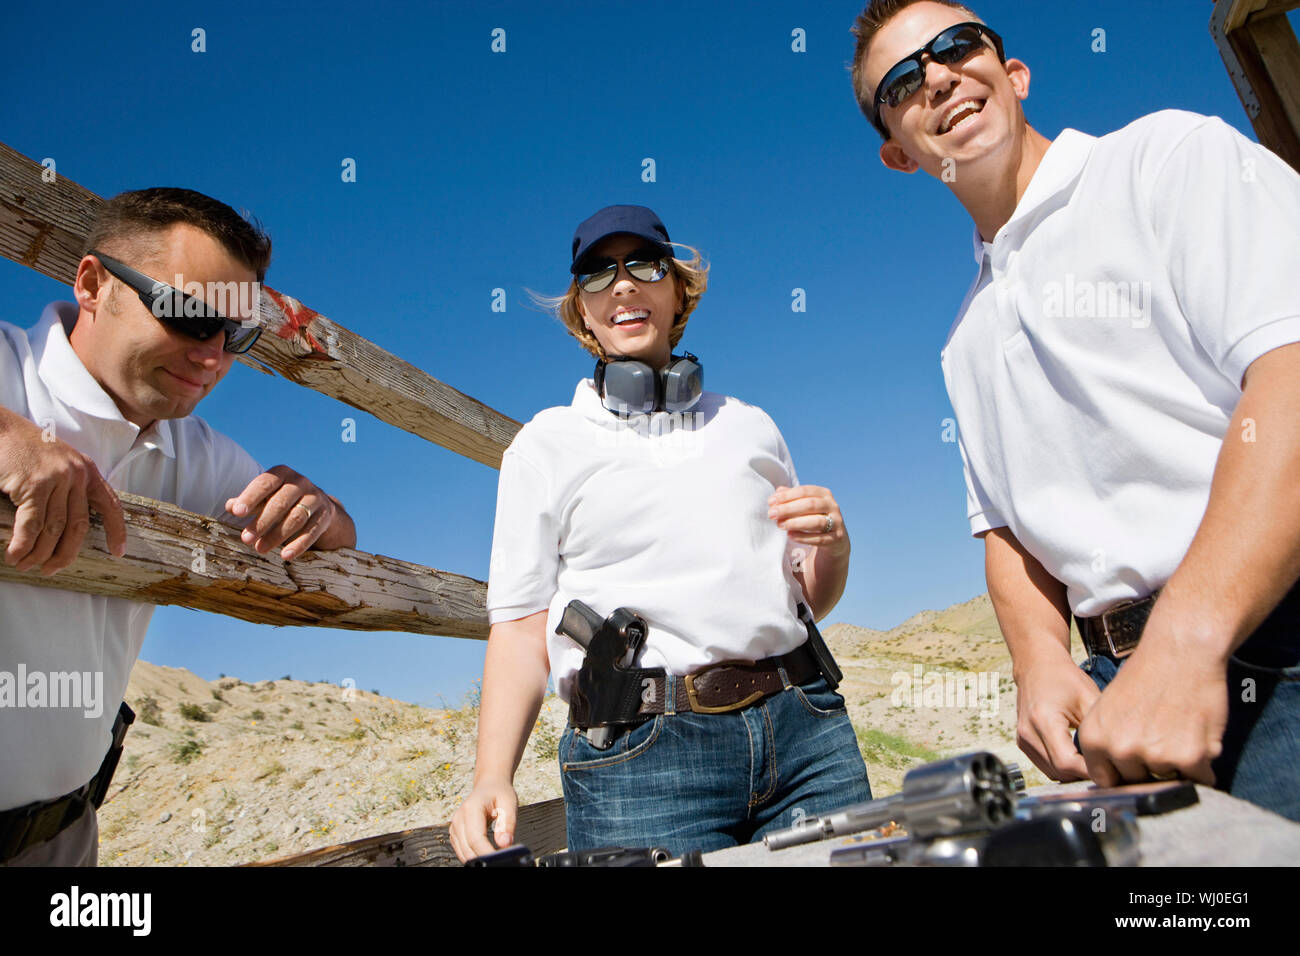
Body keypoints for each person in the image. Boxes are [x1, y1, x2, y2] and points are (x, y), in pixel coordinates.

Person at [850, 0, 1300, 820]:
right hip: (1120, 705)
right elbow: (1006, 529)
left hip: (1278, 650)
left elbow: (1292, 376)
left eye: (956, 47)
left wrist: (1187, 641)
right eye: (903, 83)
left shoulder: (1169, 159)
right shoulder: (964, 340)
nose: (938, 75)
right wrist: (1039, 660)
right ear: (898, 153)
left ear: (1012, 73)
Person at [449, 204, 871, 859]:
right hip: (641, 760)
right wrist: (490, 776)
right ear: (582, 313)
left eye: (644, 265)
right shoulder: (545, 446)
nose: (622, 285)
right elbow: (522, 624)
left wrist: (833, 549)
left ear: (679, 293)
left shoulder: (752, 426)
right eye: (597, 274)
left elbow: (802, 599)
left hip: (804, 729)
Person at [0, 187, 358, 865]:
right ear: (93, 283)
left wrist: (319, 510)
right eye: (188, 316)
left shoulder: (194, 453)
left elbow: (344, 541)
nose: (213, 356)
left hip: (62, 841)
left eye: (237, 335)